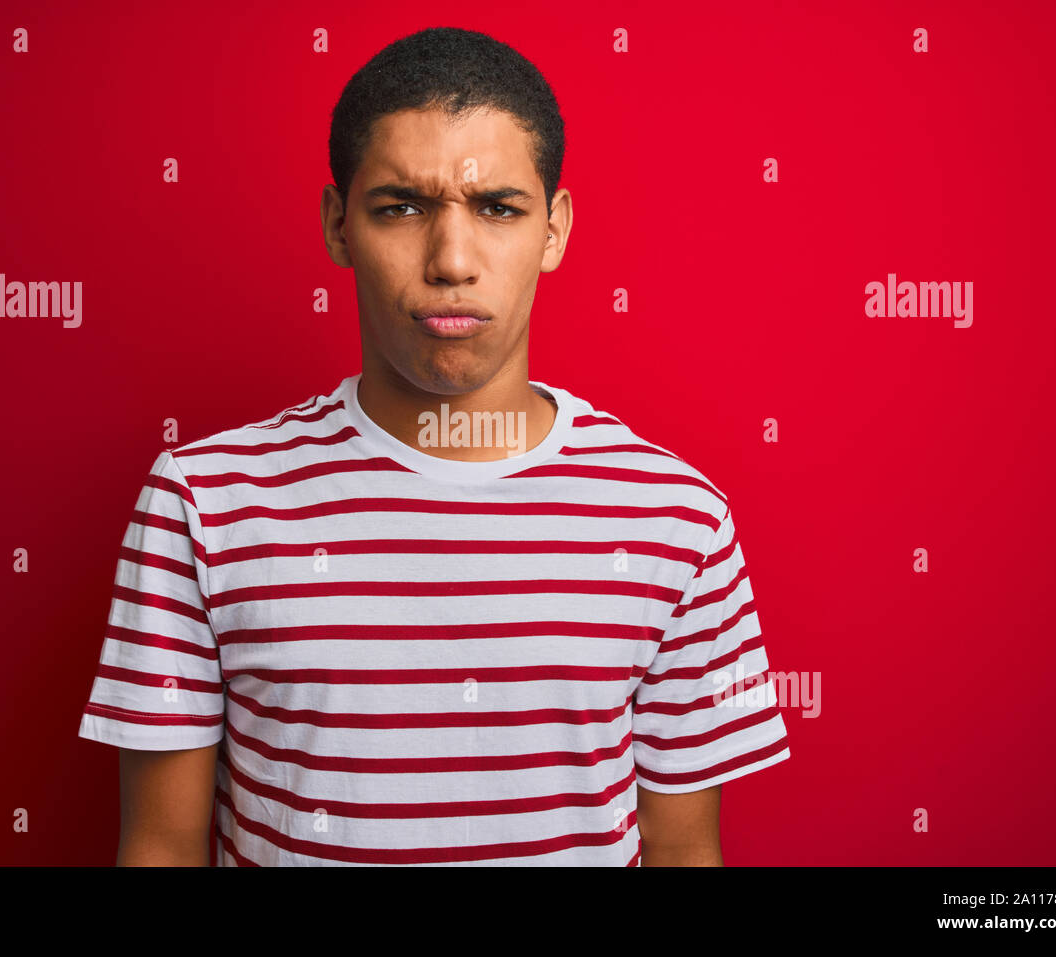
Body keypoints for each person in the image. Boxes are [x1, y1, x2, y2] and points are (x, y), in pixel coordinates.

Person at [77, 26, 791, 866]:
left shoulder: (677, 522)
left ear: (554, 230)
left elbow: (683, 852)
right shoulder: (204, 502)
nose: (452, 259)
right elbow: (159, 849)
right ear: (338, 227)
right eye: (401, 208)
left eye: (498, 208)